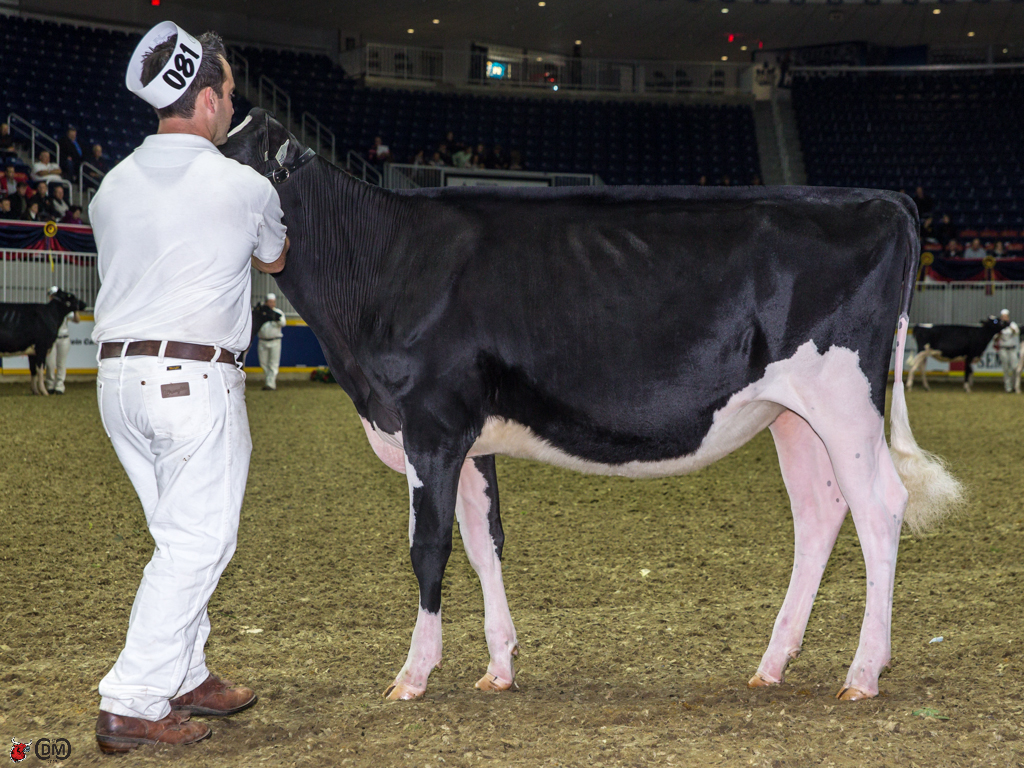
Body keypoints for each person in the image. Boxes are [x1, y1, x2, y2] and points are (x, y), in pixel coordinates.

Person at [89, 21, 288, 753]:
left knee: (177, 537)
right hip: (193, 383)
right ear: (205, 99)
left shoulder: (111, 185)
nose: (232, 106)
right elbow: (275, 256)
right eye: (229, 92)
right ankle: (132, 699)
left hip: (116, 382)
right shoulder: (242, 182)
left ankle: (185, 672)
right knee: (198, 542)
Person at [44, 285, 80, 394]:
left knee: (61, 363)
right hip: (51, 339)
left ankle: (59, 386)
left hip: (63, 338)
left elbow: (77, 320)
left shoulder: (64, 309)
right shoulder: (47, 309)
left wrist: (75, 308)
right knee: (50, 364)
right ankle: (50, 385)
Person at [256, 292, 286, 390]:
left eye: (273, 302)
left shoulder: (278, 313)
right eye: (270, 302)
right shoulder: (261, 313)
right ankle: (268, 381)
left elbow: (283, 323)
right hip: (262, 341)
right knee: (263, 363)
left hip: (275, 341)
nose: (272, 304)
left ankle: (271, 384)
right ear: (266, 302)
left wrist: (275, 318)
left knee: (273, 363)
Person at [994, 309, 1020, 393]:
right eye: (1003, 317)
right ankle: (1008, 387)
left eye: (1006, 317)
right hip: (1003, 349)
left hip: (1012, 349)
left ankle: (1014, 385)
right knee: (1005, 368)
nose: (1004, 318)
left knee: (1014, 367)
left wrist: (1009, 326)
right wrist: (999, 333)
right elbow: (995, 338)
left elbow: (1017, 332)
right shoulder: (998, 326)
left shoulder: (1012, 324)